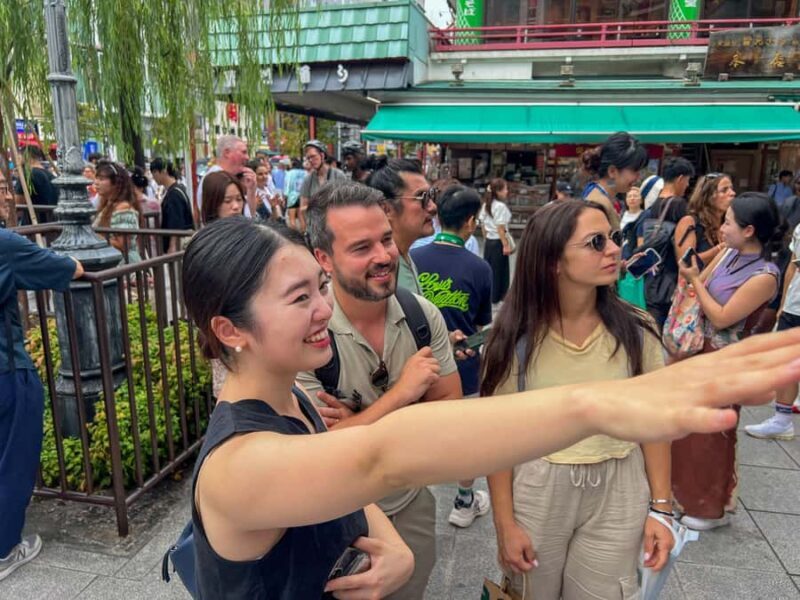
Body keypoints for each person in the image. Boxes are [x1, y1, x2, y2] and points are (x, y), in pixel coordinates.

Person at [181, 213, 800, 599]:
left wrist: (391, 541)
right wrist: (596, 404)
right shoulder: (237, 468)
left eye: (319, 286)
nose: (324, 308)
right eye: (299, 299)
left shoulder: (290, 397)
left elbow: (341, 470)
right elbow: (380, 456)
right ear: (230, 330)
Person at [482, 200, 673, 600]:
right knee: (530, 591)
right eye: (596, 242)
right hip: (538, 482)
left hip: (620, 482)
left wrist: (661, 509)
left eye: (614, 237)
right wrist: (504, 523)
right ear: (553, 260)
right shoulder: (514, 337)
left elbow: (654, 421)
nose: (615, 249)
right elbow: (496, 438)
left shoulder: (637, 329)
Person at [299, 181, 461, 599]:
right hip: (332, 519)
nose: (384, 256)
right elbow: (316, 452)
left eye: (386, 239)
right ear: (323, 258)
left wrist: (358, 423)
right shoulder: (307, 333)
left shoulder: (421, 315)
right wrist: (404, 394)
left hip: (409, 508)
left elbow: (449, 415)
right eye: (361, 247)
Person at [673, 193, 782, 531]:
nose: (722, 228)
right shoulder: (728, 253)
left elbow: (722, 317)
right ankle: (684, 495)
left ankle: (709, 507)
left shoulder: (765, 275)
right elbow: (701, 287)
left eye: (729, 222)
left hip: (727, 359)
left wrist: (694, 280)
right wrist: (694, 276)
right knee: (688, 429)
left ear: (749, 230)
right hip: (700, 351)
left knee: (713, 433)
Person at [0, 222, 83, 581]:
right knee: (13, 460)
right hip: (6, 370)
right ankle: (4, 550)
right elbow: (69, 268)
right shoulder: (5, 245)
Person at [410, 185, 494, 528]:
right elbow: (480, 325)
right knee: (467, 437)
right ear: (470, 222)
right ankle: (463, 500)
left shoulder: (412, 260)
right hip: (463, 366)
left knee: (417, 431)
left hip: (417, 365)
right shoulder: (480, 267)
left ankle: (414, 495)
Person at [746, 218, 800, 440]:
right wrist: (784, 303)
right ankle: (782, 420)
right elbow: (793, 266)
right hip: (794, 308)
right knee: (786, 365)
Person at [635, 157, 696, 328]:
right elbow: (685, 254)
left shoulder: (651, 207)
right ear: (680, 179)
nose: (687, 185)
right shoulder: (679, 206)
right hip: (669, 282)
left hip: (649, 280)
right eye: (687, 181)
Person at [367, 159, 437, 296]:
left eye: (432, 195)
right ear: (386, 209)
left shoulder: (404, 256)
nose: (433, 207)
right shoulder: (381, 270)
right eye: (422, 197)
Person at [581, 132, 648, 230]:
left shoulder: (600, 194)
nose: (638, 177)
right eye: (635, 170)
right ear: (612, 171)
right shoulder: (598, 204)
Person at [674, 173, 736, 277]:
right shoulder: (689, 222)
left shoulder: (727, 224)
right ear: (708, 196)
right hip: (695, 284)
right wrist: (720, 249)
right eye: (724, 190)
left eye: (731, 189)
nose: (732, 193)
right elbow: (686, 263)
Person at [93, 161, 143, 264]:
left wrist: (95, 238)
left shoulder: (123, 208)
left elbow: (123, 244)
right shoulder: (107, 204)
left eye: (101, 179)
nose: (96, 183)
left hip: (124, 263)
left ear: (115, 183)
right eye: (96, 178)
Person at [197, 135, 255, 218]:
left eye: (239, 199)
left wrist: (251, 191)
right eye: (244, 152)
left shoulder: (226, 177)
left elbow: (248, 218)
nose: (247, 157)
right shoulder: (215, 180)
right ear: (227, 153)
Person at [299, 140, 347, 232]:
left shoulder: (338, 175)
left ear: (322, 155)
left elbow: (347, 203)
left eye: (313, 156)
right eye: (308, 158)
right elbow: (303, 208)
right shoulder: (308, 180)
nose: (311, 160)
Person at [479, 178, 513, 304]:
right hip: (498, 242)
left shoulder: (486, 205)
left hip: (489, 241)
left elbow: (482, 224)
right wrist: (505, 245)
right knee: (500, 271)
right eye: (505, 189)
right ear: (498, 191)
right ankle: (498, 295)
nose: (507, 191)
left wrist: (485, 238)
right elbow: (500, 227)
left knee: (490, 269)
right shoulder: (500, 206)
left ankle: (490, 295)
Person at [150, 157, 194, 253]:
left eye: (154, 172)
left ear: (164, 171)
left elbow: (175, 222)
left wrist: (172, 246)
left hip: (179, 244)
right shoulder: (177, 189)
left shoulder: (173, 194)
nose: (153, 176)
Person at [14, 145, 58, 225]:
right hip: (52, 223)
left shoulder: (27, 175)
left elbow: (17, 203)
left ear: (25, 156)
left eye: (19, 156)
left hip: (34, 225)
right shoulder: (52, 176)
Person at [283, 158, 306, 230]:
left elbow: (287, 184)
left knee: (292, 219)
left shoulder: (290, 173)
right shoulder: (305, 172)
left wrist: (285, 196)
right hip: (302, 196)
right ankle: (303, 234)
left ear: (293, 164)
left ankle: (293, 235)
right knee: (301, 218)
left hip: (292, 196)